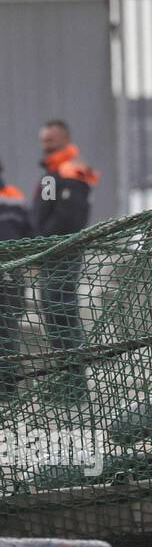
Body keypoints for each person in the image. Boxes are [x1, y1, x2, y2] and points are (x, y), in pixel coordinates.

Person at [31, 120, 99, 399]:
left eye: (52, 141)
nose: (47, 146)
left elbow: (67, 219)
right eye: (45, 141)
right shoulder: (53, 173)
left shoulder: (70, 172)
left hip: (61, 253)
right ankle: (66, 377)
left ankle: (73, 381)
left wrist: (44, 243)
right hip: (51, 253)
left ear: (65, 139)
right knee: (52, 310)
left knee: (61, 310)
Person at [0, 162, 33, 395]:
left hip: (11, 273)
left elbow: (30, 234)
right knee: (9, 328)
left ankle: (8, 387)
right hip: (14, 272)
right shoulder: (14, 197)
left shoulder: (14, 197)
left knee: (8, 328)